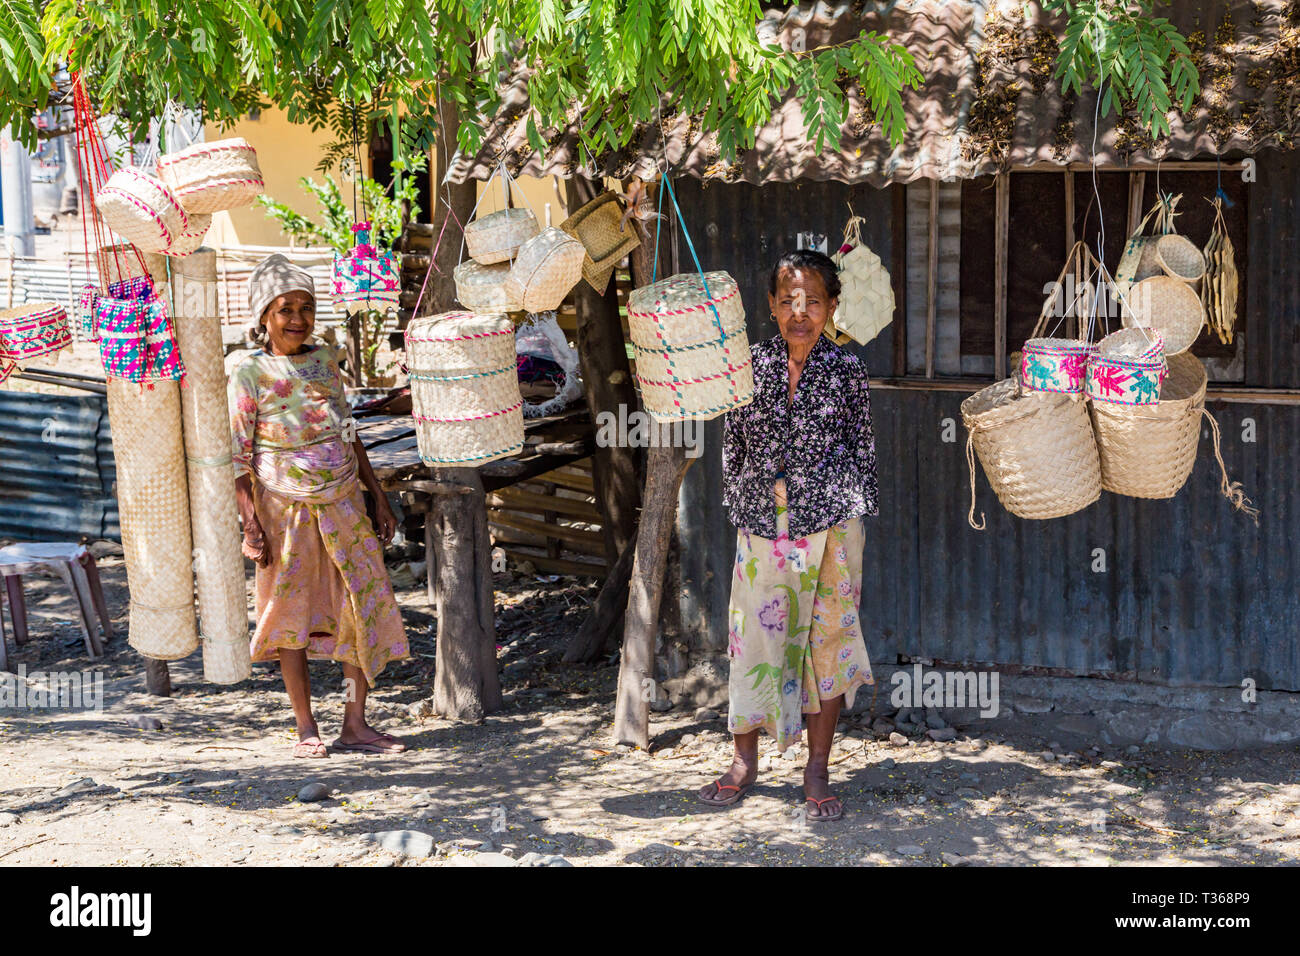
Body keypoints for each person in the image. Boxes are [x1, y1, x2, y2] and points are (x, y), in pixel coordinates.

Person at [698, 249, 879, 822]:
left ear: (831, 307)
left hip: (831, 529)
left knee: (828, 643)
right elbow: (734, 449)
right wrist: (749, 507)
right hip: (762, 528)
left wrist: (845, 518)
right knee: (753, 641)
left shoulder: (847, 369)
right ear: (772, 306)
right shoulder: (749, 363)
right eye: (787, 300)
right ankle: (744, 762)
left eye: (813, 301)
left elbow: (862, 452)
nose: (799, 312)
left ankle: (818, 767)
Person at [229, 253, 410, 757]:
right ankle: (306, 726)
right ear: (264, 314)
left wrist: (378, 497)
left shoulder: (326, 360)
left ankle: (355, 724)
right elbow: (238, 456)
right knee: (290, 614)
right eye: (285, 309)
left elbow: (349, 432)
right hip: (284, 509)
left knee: (360, 604)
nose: (297, 319)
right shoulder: (250, 371)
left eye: (305, 308)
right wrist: (250, 524)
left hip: (345, 502)